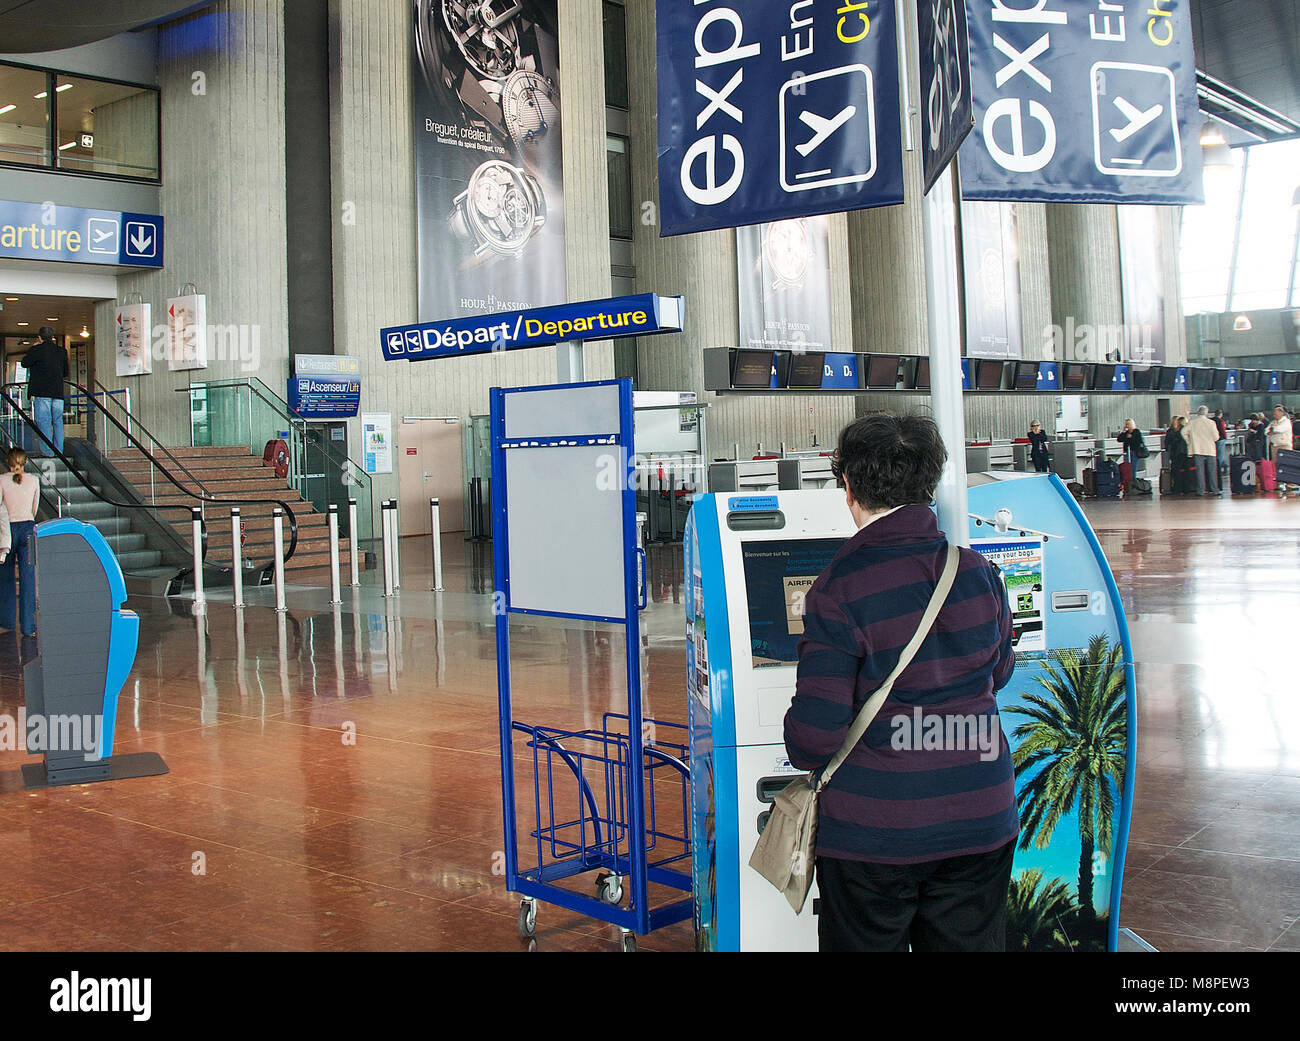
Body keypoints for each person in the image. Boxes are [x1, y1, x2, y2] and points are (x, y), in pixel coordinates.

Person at [783, 414, 1018, 952]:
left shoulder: (837, 588)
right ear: (928, 482)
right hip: (980, 818)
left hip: (876, 833)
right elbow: (999, 671)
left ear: (848, 486)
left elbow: (815, 737)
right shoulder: (977, 571)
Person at [0, 447, 41, 636]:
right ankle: (28, 628)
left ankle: (7, 622)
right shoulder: (34, 481)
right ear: (24, 462)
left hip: (6, 530)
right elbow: (34, 509)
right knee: (28, 578)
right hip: (28, 530)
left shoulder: (1, 480)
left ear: (8, 462)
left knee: (5, 577)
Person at [24, 326, 69, 455]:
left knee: (43, 421)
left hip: (42, 392)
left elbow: (24, 363)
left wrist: (33, 348)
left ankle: (48, 452)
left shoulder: (36, 350)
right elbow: (65, 372)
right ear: (52, 337)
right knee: (57, 421)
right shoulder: (61, 351)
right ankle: (59, 450)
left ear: (39, 337)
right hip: (58, 393)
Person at [1185, 405, 1221, 497]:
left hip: (1198, 449)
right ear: (1207, 413)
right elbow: (1216, 437)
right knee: (1212, 471)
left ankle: (1200, 490)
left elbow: (1183, 432)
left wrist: (1189, 442)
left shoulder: (1192, 422)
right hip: (1210, 449)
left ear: (1198, 413)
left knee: (1199, 471)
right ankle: (1214, 490)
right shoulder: (1211, 423)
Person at [1267, 405, 1295, 499]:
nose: (1274, 415)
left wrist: (1273, 430)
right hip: (1275, 446)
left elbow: (1280, 429)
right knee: (1276, 465)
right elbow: (1266, 431)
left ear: (1281, 413)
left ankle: (1289, 484)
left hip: (1284, 445)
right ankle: (1279, 483)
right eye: (1274, 413)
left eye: (1276, 413)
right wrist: (1271, 430)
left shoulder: (1286, 422)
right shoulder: (1273, 422)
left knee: (1287, 465)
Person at [1116, 419, 1147, 495]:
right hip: (1128, 452)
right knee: (1128, 467)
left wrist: (1131, 437)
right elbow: (1119, 439)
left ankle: (1133, 483)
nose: (1127, 426)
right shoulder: (1126, 433)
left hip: (1135, 452)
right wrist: (1123, 432)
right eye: (1126, 424)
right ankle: (1129, 484)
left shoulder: (1136, 432)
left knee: (1133, 467)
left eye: (1128, 424)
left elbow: (1139, 441)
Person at [1164, 416, 1192, 495]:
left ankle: (1177, 489)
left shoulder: (1175, 432)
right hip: (1186, 453)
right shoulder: (1187, 431)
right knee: (1187, 471)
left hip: (1178, 453)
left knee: (1176, 471)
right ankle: (1187, 488)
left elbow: (1169, 443)